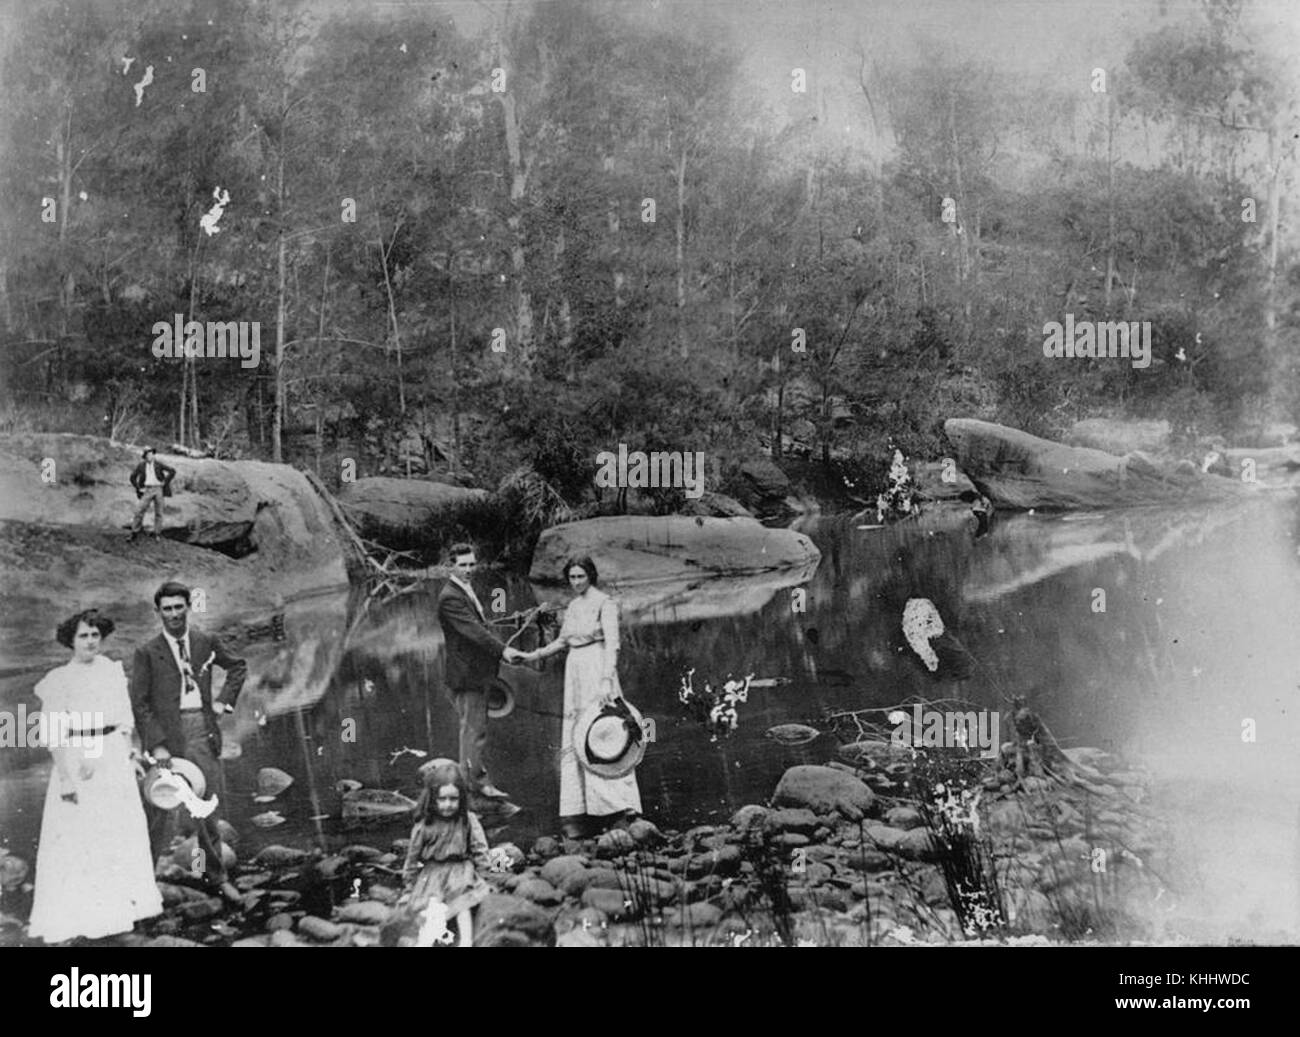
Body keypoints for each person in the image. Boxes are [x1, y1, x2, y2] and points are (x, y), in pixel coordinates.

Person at [27, 609, 163, 943]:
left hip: (112, 757)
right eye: (83, 636)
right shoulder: (59, 680)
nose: (90, 641)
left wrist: (129, 750)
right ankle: (88, 917)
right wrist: (65, 778)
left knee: (120, 830)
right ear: (70, 641)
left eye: (94, 635)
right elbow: (54, 734)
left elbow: (124, 717)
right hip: (77, 759)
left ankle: (125, 910)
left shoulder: (111, 670)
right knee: (83, 835)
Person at [128, 581, 246, 904]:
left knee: (206, 803)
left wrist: (223, 703)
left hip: (201, 728)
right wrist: (158, 745)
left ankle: (216, 876)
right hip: (166, 735)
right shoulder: (147, 652)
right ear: (158, 612)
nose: (174, 614)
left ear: (188, 608)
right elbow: (139, 703)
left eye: (179, 607)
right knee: (159, 806)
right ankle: (144, 878)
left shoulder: (204, 641)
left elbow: (237, 667)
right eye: (167, 609)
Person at [519, 555, 642, 839]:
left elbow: (613, 646)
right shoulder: (573, 606)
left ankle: (620, 806)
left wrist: (605, 681)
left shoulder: (605, 604)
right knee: (577, 735)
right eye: (572, 577)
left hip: (597, 669)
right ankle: (582, 807)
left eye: (581, 577)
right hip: (574, 672)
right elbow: (563, 641)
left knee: (604, 732)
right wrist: (532, 655)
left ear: (591, 576)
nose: (576, 583)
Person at [436, 542, 521, 803]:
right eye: (463, 565)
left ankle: (475, 782)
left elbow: (478, 625)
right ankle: (474, 787)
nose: (469, 570)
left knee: (475, 729)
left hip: (474, 673)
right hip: (467, 675)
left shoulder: (464, 589)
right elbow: (474, 632)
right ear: (451, 566)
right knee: (473, 731)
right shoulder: (450, 596)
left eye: (472, 564)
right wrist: (504, 650)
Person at [401, 759, 491, 947]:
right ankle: (425, 942)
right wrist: (409, 885)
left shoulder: (468, 820)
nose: (447, 805)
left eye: (453, 799)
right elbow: (412, 857)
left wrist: (484, 874)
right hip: (432, 873)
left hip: (460, 870)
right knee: (431, 906)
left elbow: (480, 849)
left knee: (462, 903)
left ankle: (466, 941)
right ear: (432, 799)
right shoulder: (425, 824)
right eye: (442, 799)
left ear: (461, 798)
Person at [128, 447, 176, 541]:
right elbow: (133, 477)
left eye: (152, 454)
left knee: (159, 512)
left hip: (158, 489)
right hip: (147, 489)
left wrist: (165, 482)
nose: (150, 456)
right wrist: (138, 487)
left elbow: (172, 471)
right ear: (145, 457)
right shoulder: (141, 465)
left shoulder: (158, 464)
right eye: (148, 454)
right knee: (139, 510)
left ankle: (157, 533)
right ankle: (134, 532)